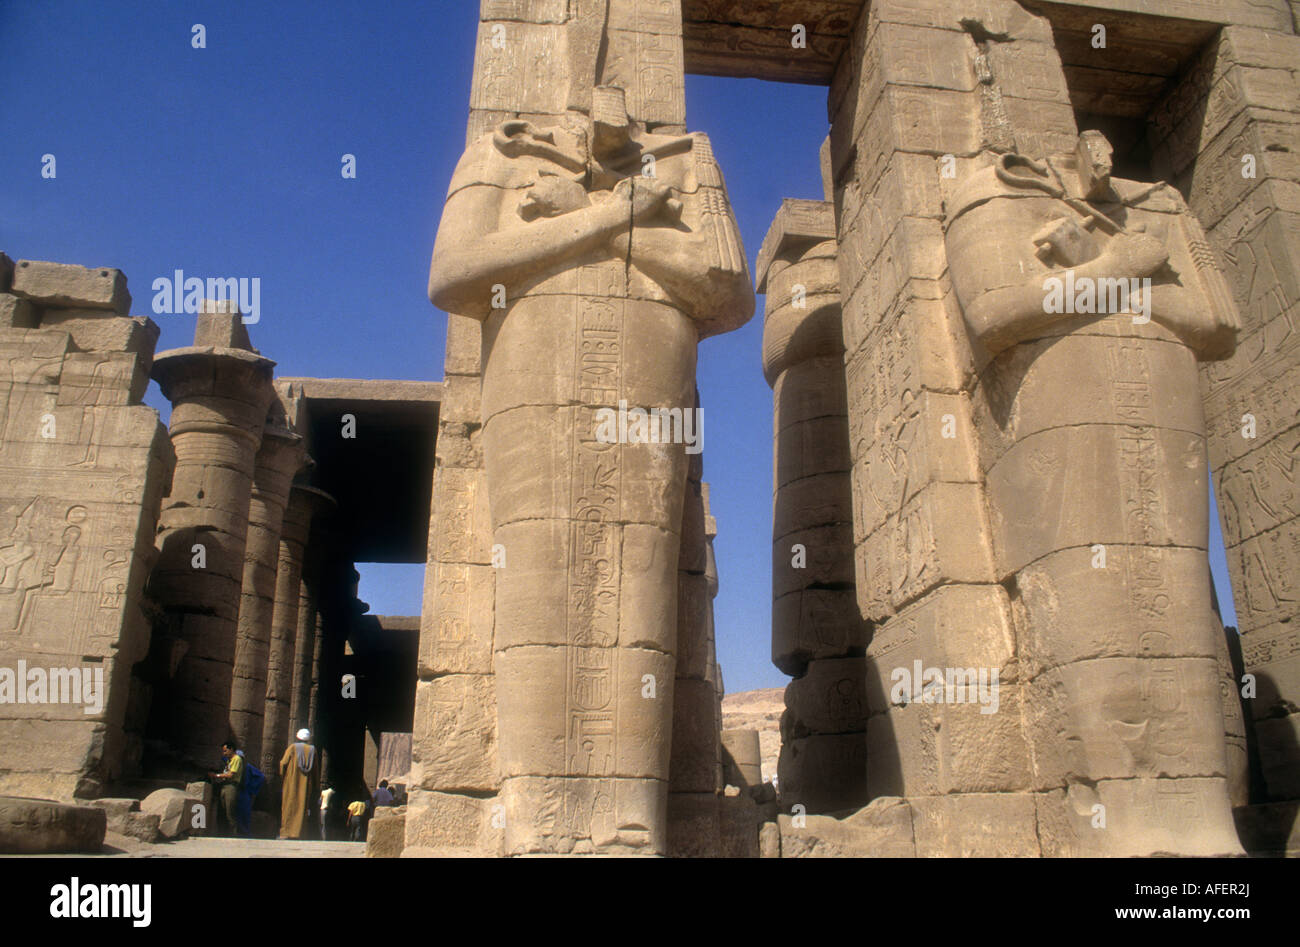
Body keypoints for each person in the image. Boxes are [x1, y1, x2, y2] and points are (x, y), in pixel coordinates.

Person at [278, 727, 320, 839]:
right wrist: (316, 785)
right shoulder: (313, 750)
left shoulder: (293, 747)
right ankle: (299, 833)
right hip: (306, 784)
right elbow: (315, 770)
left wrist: (283, 777)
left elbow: (283, 763)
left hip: (292, 782)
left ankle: (287, 832)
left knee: (289, 806)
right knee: (302, 807)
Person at [208, 740, 245, 837]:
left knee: (230, 812)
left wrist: (217, 775)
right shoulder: (229, 761)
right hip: (225, 786)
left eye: (225, 751)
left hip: (231, 787)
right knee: (223, 811)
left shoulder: (237, 759)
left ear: (231, 749)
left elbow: (230, 775)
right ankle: (222, 833)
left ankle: (233, 834)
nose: (224, 753)